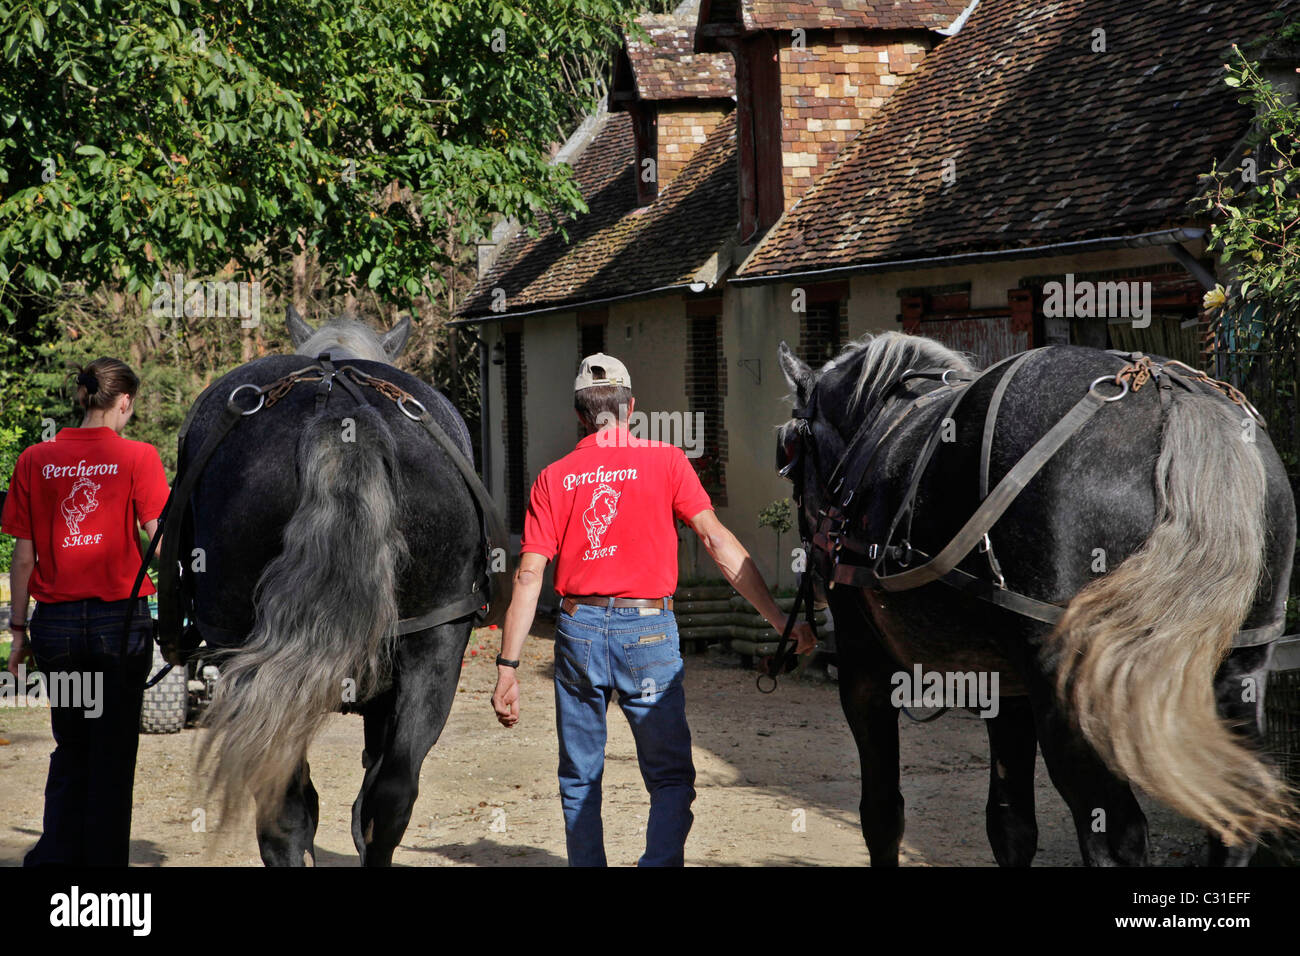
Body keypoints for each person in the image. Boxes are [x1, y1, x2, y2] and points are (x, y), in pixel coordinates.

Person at [491, 353, 815, 867]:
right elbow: (717, 542)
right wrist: (779, 619)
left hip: (577, 631)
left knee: (579, 779)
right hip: (648, 633)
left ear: (580, 414)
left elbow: (529, 575)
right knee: (669, 780)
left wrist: (507, 667)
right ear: (632, 408)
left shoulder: (553, 478)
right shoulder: (667, 461)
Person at [3, 358, 170, 866]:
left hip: (56, 629)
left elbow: (24, 557)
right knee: (113, 756)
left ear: (82, 398)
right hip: (118, 627)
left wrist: (18, 631)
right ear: (124, 403)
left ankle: (55, 859)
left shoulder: (34, 459)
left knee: (71, 745)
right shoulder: (139, 457)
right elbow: (161, 544)